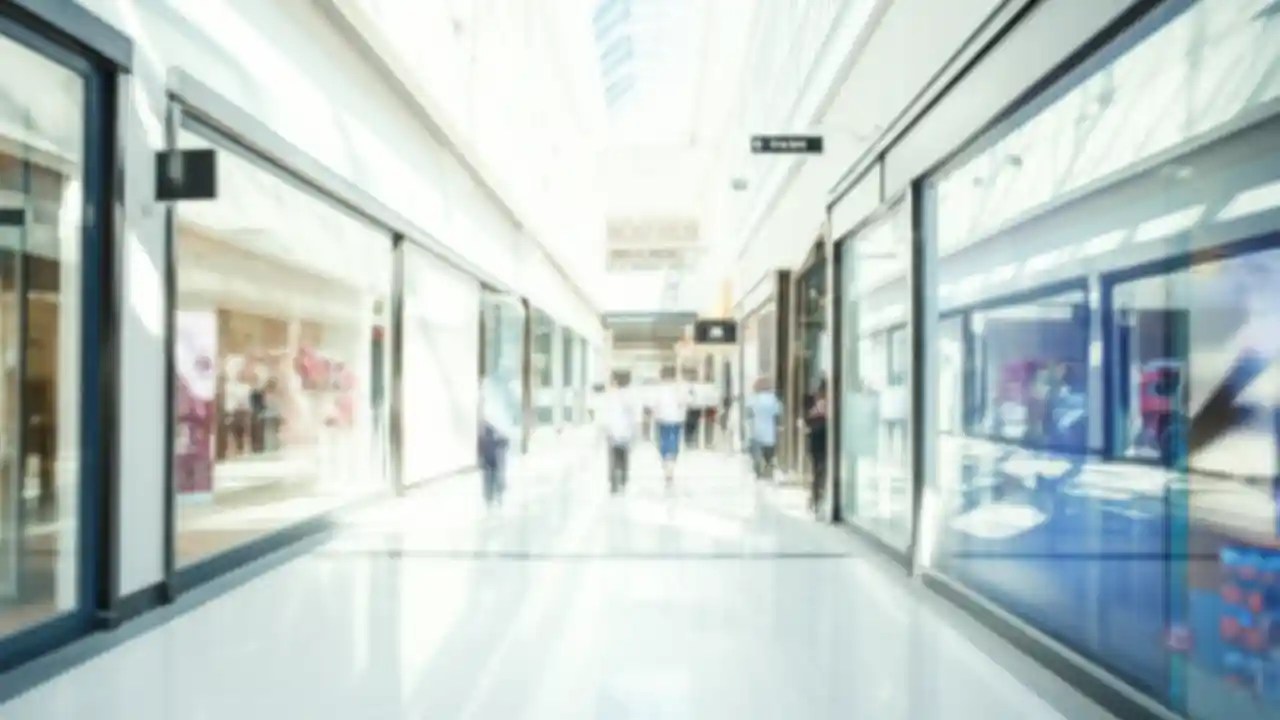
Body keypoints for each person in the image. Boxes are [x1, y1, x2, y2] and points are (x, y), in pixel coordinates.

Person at [479, 364, 519, 507]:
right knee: (498, 463)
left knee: (489, 465)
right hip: (500, 430)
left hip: (491, 429)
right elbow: (513, 410)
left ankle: (490, 494)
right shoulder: (507, 389)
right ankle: (497, 492)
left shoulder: (486, 387)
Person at [602, 374, 638, 493]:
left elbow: (606, 416)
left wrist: (606, 430)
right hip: (626, 431)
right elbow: (634, 416)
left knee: (613, 457)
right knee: (624, 456)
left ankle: (613, 481)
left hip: (613, 431)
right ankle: (623, 479)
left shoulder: (611, 396)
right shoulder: (631, 396)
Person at [652, 369, 687, 486]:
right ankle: (670, 469)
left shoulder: (659, 389)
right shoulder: (678, 388)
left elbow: (655, 406)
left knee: (664, 445)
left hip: (662, 420)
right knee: (673, 445)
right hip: (676, 420)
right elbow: (683, 402)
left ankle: (667, 469)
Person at [746, 377, 783, 480]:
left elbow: (749, 414)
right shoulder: (773, 399)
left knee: (756, 453)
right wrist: (779, 427)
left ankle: (758, 471)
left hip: (755, 430)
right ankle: (768, 470)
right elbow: (778, 414)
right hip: (769, 431)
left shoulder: (753, 398)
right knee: (769, 453)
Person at [804, 378, 829, 515]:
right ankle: (816, 500)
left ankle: (815, 500)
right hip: (821, 443)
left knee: (817, 473)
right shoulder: (822, 406)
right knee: (820, 472)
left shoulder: (815, 406)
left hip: (816, 443)